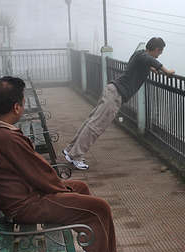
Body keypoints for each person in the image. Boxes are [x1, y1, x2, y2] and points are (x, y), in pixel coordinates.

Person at [0, 76, 138, 252]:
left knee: (81, 190)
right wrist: (61, 190)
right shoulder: (8, 138)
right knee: (99, 207)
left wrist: (65, 190)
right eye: (24, 103)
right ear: (16, 107)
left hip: (17, 198)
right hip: (25, 204)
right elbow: (41, 174)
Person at [63, 37, 175, 170]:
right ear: (156, 49)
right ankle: (75, 155)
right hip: (115, 95)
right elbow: (149, 59)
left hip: (112, 90)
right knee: (96, 126)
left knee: (91, 121)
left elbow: (144, 63)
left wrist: (151, 68)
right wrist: (166, 71)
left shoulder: (139, 54)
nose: (159, 55)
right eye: (160, 52)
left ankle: (70, 149)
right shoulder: (144, 55)